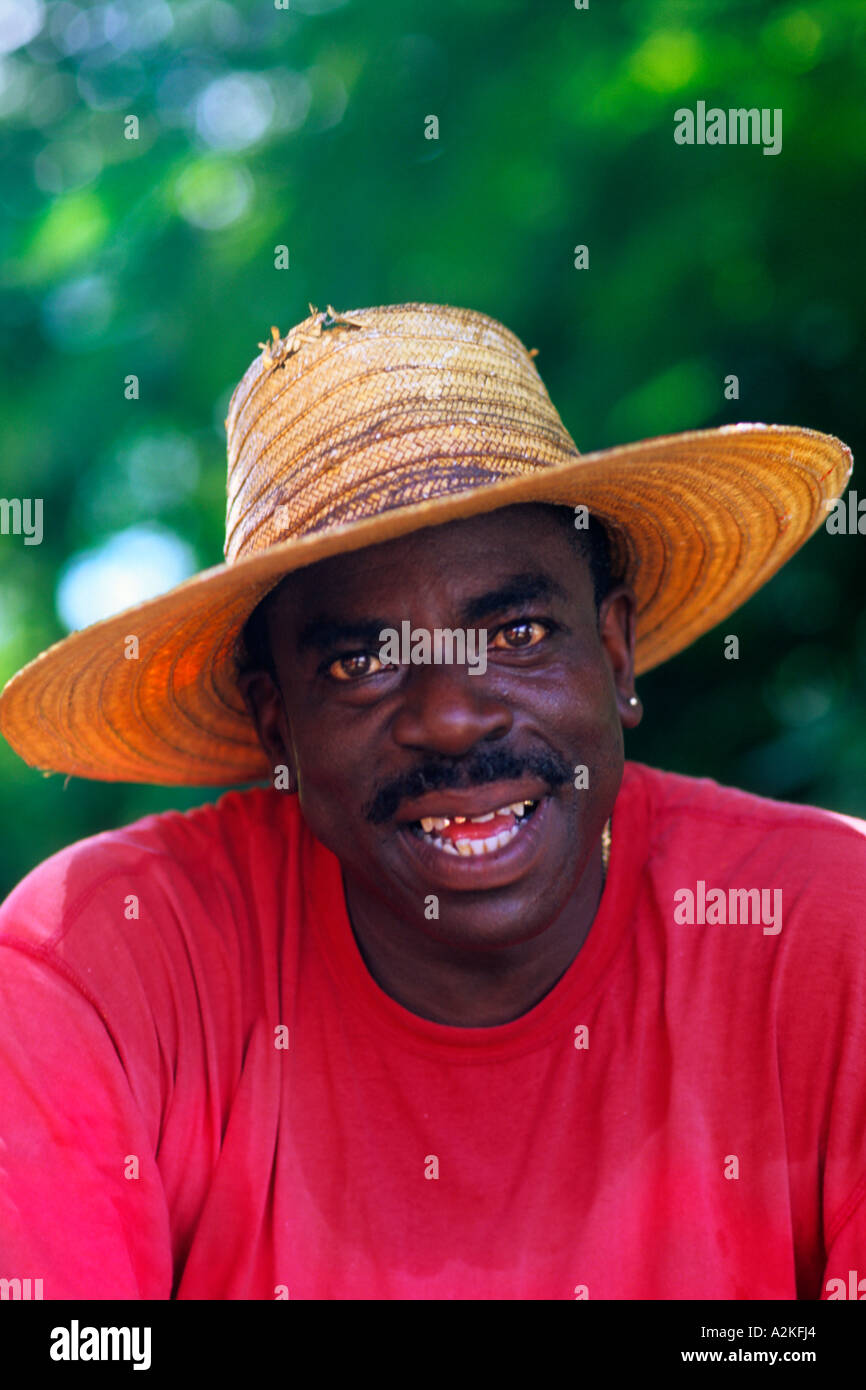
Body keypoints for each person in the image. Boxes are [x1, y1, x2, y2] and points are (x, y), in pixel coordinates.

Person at [0, 302, 863, 1301]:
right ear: (276, 726)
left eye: (520, 633)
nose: (451, 716)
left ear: (615, 653)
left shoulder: (825, 934)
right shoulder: (98, 968)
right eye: (362, 660)